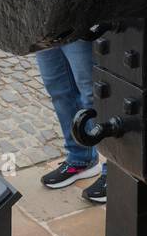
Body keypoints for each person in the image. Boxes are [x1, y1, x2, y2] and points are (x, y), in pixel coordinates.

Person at [37, 38, 107, 205]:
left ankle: (117, 173)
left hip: (79, 23)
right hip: (44, 23)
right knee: (58, 87)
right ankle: (80, 158)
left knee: (93, 94)